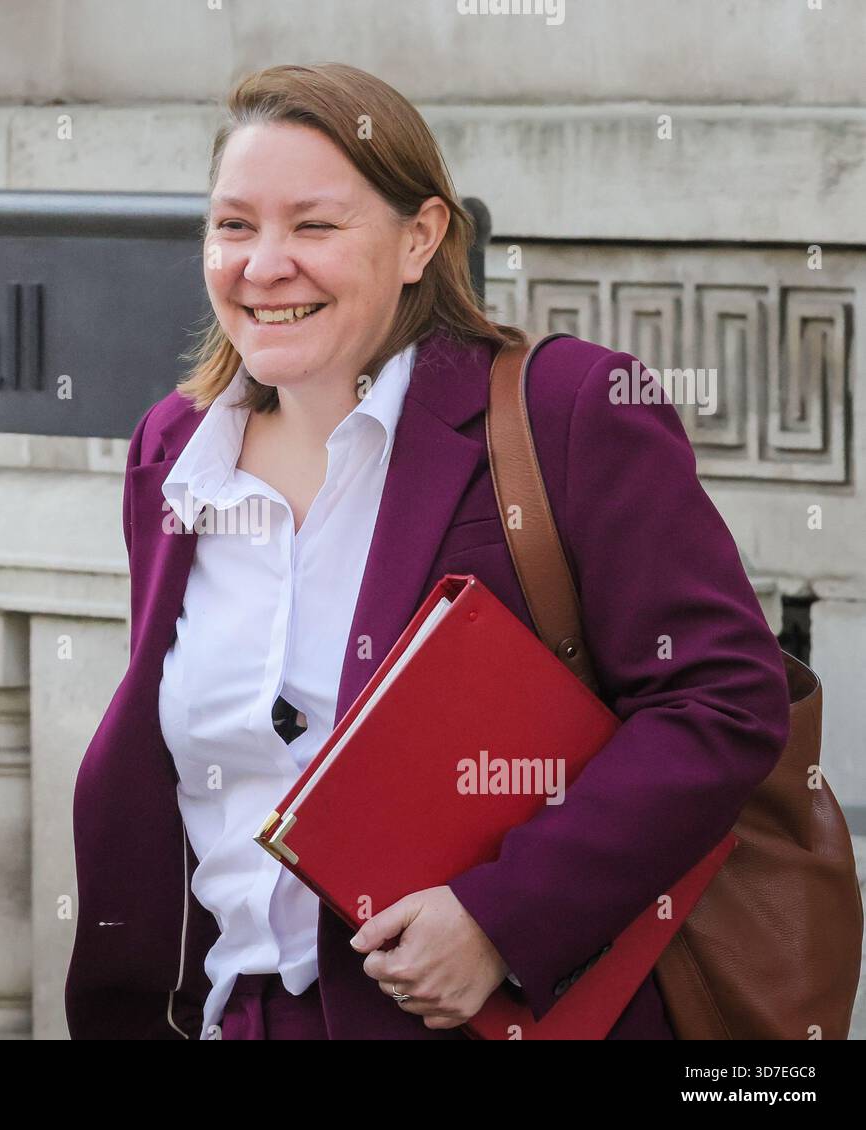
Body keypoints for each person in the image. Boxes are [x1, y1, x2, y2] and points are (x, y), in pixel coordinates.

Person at [64, 62, 791, 1040]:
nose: (264, 262)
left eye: (313, 225)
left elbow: (721, 698)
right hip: (234, 1016)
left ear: (421, 237)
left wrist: (502, 916)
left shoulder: (568, 410)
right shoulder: (173, 449)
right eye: (235, 224)